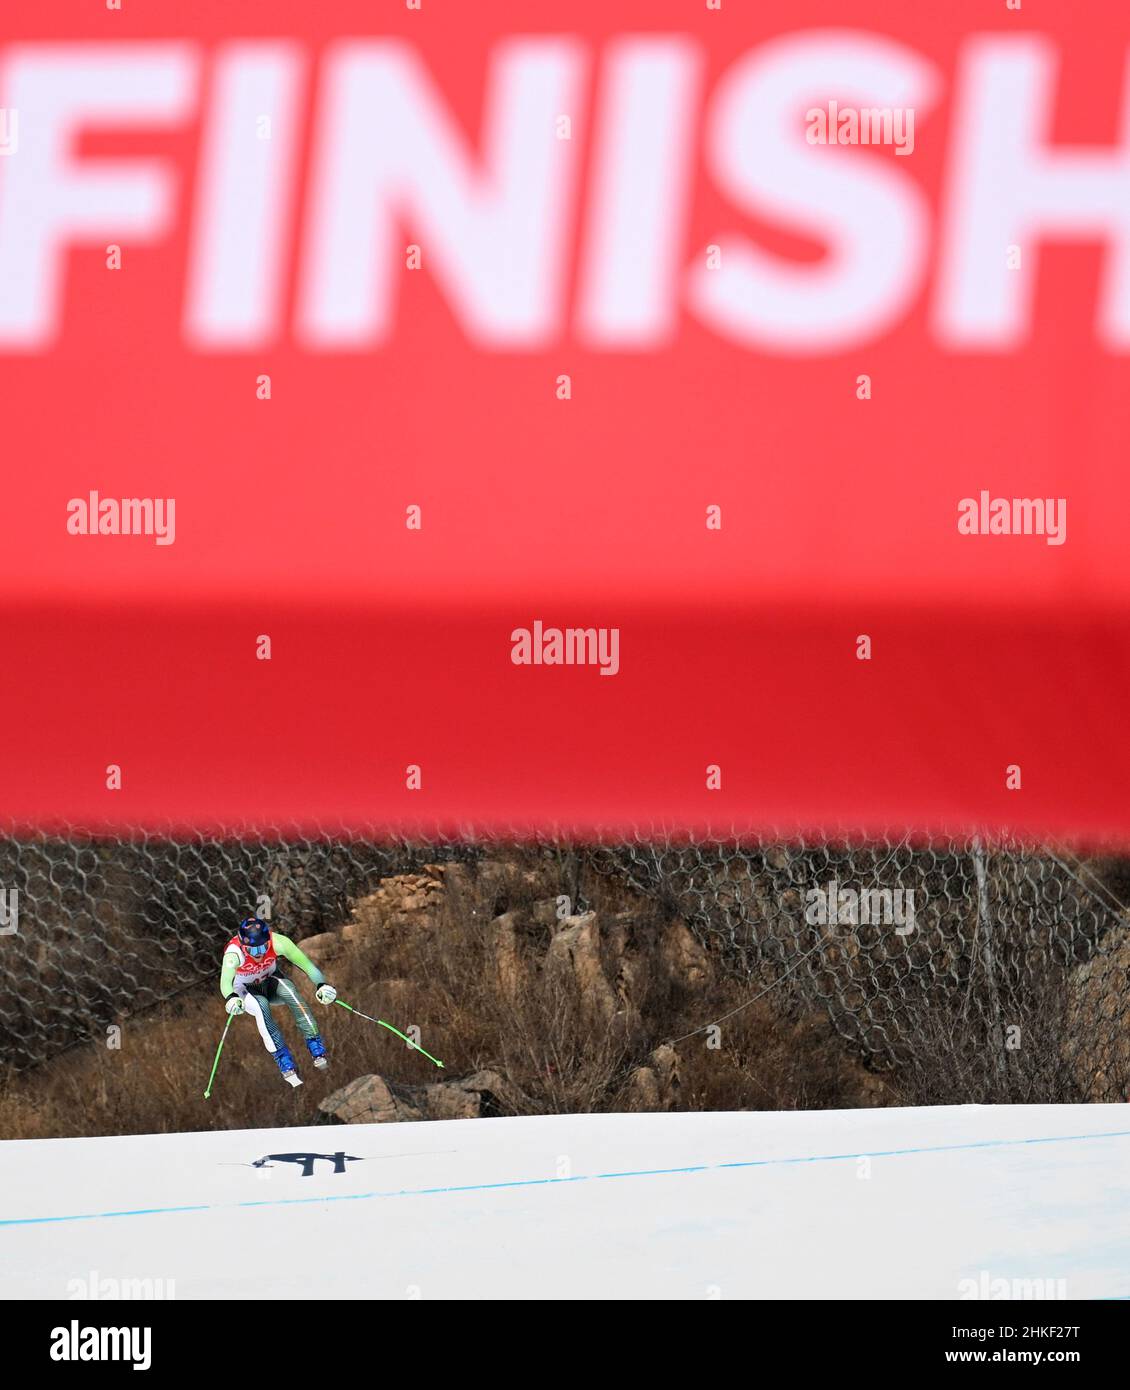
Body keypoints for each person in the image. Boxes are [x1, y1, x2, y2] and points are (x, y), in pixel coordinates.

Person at [220, 915, 337, 1087]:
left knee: (291, 992)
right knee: (262, 1007)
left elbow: (307, 965)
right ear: (244, 946)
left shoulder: (279, 942)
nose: (259, 954)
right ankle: (283, 1059)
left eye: (263, 948)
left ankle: (315, 1044)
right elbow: (225, 982)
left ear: (269, 940)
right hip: (246, 990)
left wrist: (322, 984)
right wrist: (231, 998)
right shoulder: (233, 953)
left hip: (270, 982)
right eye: (252, 951)